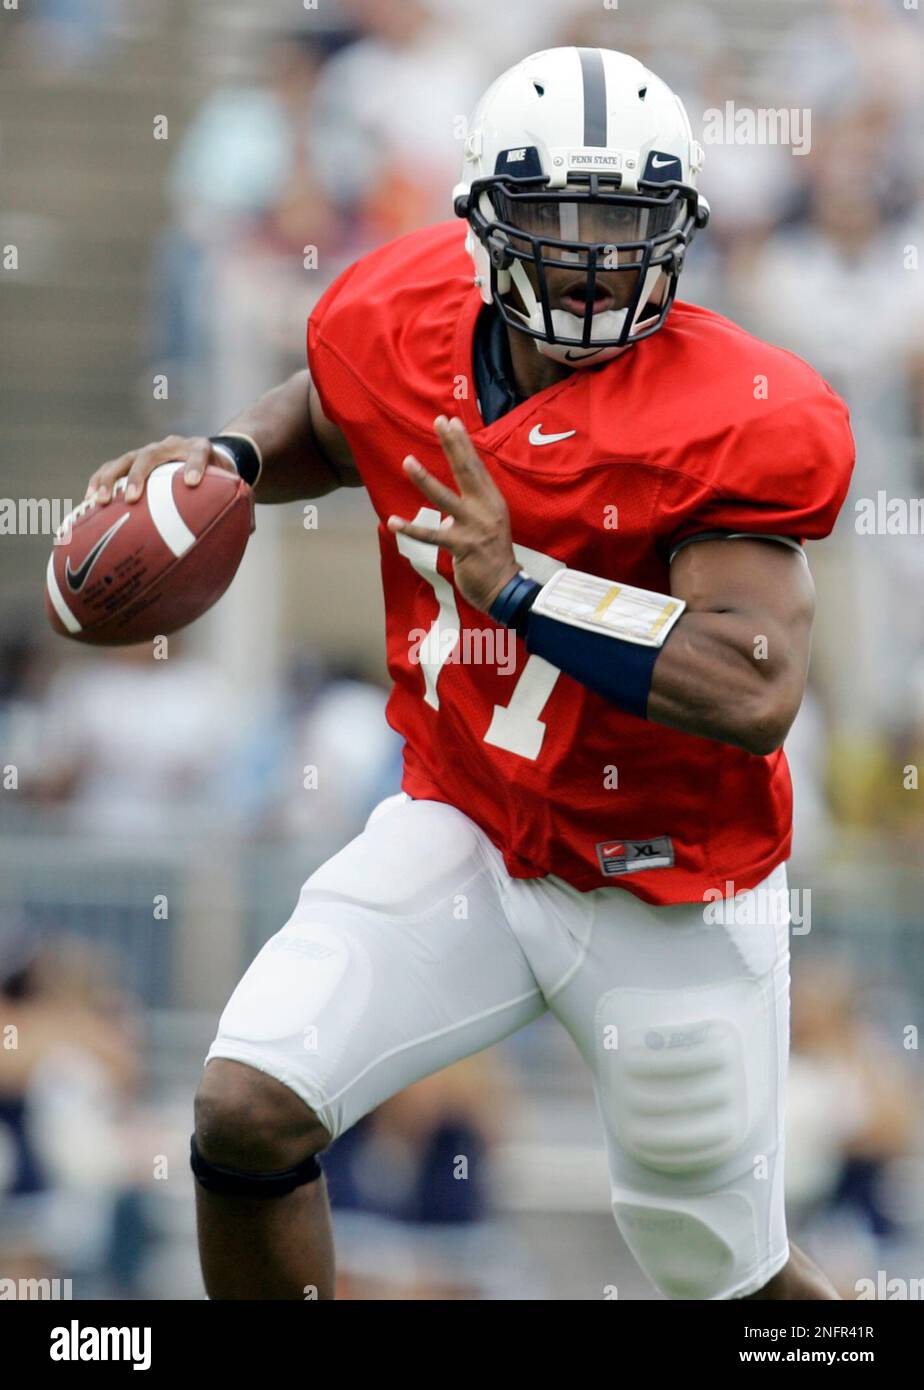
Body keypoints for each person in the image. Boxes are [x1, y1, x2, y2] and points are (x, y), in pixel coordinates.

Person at [82, 48, 854, 1300]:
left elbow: (753, 683)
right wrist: (227, 452)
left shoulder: (740, 412)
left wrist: (520, 588)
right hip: (470, 825)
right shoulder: (396, 316)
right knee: (244, 1109)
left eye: (626, 222)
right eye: (560, 219)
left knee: (722, 1272)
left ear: (681, 232)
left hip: (666, 885)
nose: (594, 256)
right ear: (485, 221)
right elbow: (332, 419)